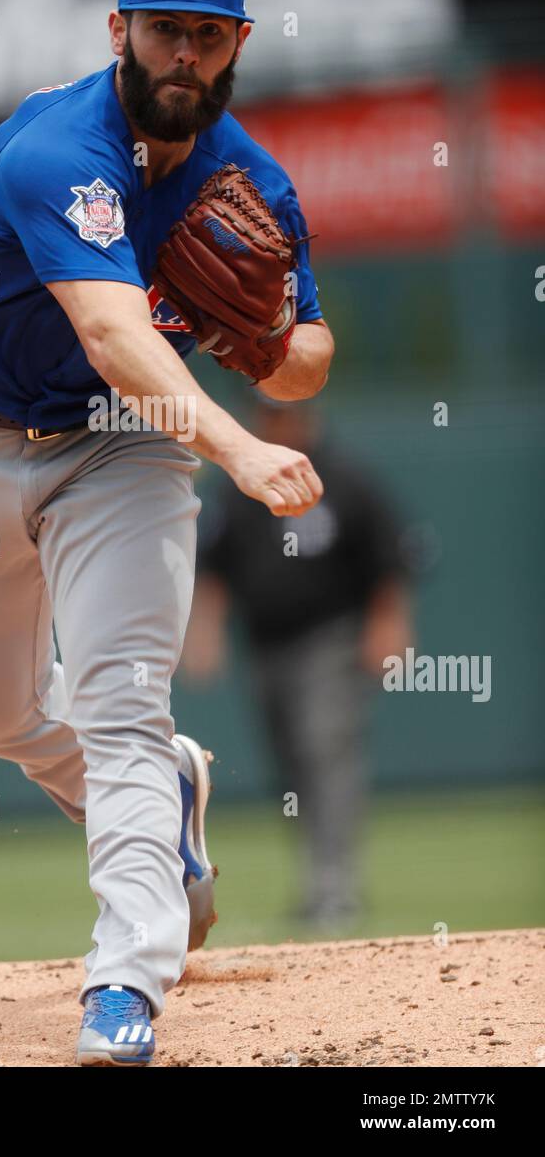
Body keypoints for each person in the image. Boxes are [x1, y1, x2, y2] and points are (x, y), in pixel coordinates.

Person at [0, 0, 334, 1066]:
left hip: (125, 448)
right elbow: (111, 328)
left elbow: (306, 359)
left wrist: (271, 333)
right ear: (120, 33)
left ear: (236, 43)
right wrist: (243, 448)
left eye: (205, 34)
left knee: (123, 702)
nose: (181, 54)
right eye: (161, 30)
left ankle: (125, 984)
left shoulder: (251, 183)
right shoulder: (56, 146)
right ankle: (166, 792)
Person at [183, 396, 415, 930]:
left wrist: (389, 624)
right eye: (267, 413)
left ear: (309, 416)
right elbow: (214, 565)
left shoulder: (343, 477)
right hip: (265, 649)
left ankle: (334, 887)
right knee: (293, 766)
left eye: (286, 413)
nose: (277, 422)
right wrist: (206, 629)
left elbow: (388, 559)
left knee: (324, 752)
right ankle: (319, 883)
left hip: (329, 641)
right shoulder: (243, 487)